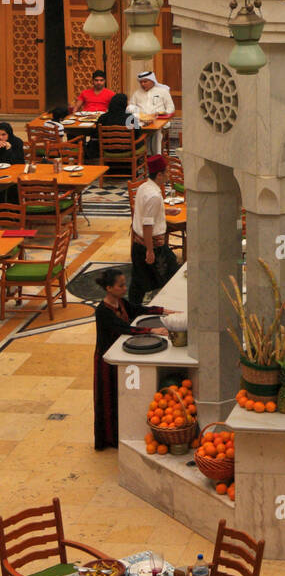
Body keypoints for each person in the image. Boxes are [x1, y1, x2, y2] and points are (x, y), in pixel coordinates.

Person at [92, 268, 174, 450]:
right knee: (108, 399)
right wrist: (152, 330)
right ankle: (109, 440)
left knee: (120, 398)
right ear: (109, 288)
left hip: (118, 355)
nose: (124, 288)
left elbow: (138, 310)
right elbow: (124, 328)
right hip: (106, 361)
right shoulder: (103, 311)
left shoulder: (120, 303)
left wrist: (165, 311)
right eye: (120, 285)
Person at [129, 154, 180, 308]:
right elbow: (147, 225)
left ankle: (133, 310)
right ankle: (168, 308)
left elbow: (147, 213)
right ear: (159, 175)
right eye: (167, 172)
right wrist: (150, 251)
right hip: (153, 247)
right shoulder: (154, 196)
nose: (168, 175)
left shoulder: (144, 187)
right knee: (170, 276)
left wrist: (165, 212)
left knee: (139, 282)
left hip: (139, 245)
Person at [130, 70, 175, 153]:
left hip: (159, 120)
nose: (143, 84)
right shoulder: (137, 93)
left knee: (156, 132)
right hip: (142, 121)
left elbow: (171, 107)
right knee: (134, 129)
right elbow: (131, 107)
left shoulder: (162, 91)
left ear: (152, 81)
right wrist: (137, 115)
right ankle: (141, 155)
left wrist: (164, 113)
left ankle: (156, 156)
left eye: (145, 82)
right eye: (141, 82)